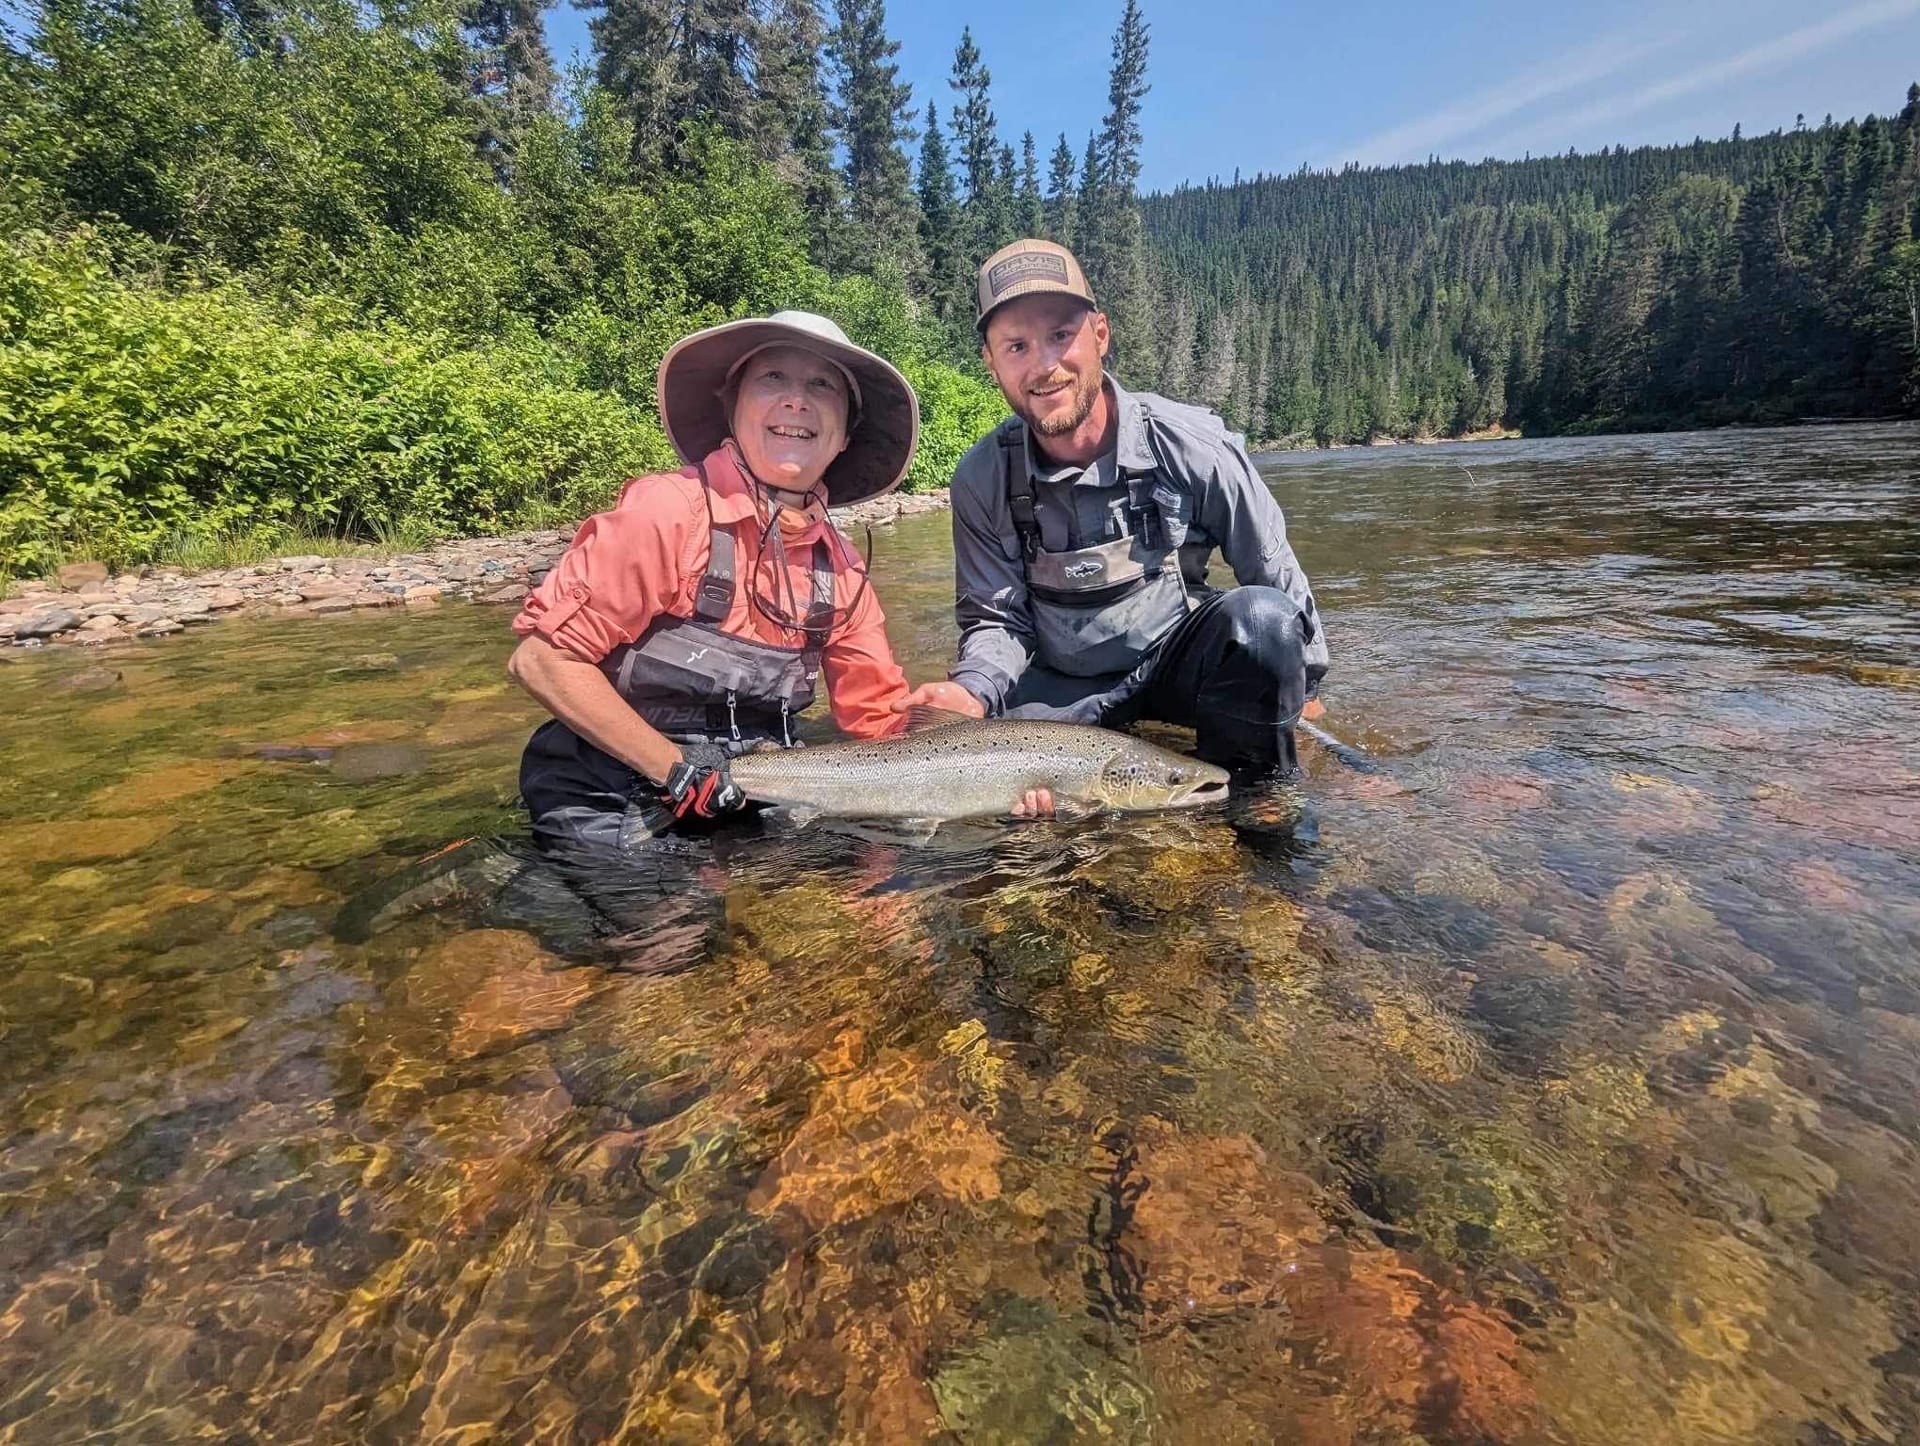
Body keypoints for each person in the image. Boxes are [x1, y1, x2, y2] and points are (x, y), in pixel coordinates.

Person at [896, 239, 1330, 779]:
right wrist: (973, 692)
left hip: (1176, 671)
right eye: (1016, 347)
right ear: (990, 363)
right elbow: (996, 619)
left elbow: (1273, 572)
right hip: (1061, 695)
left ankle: (1249, 811)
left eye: (1060, 335)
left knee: (1262, 621)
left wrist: (1299, 689)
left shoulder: (1192, 445)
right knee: (995, 793)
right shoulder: (981, 478)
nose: (1044, 367)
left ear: (1100, 334)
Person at [506, 309, 924, 853]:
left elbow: (876, 722)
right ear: (733, 409)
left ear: (844, 435)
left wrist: (975, 758)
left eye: (822, 385)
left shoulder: (842, 570)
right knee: (678, 937)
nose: (797, 400)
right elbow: (542, 661)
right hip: (606, 791)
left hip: (744, 797)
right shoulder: (668, 512)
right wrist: (676, 770)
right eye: (773, 378)